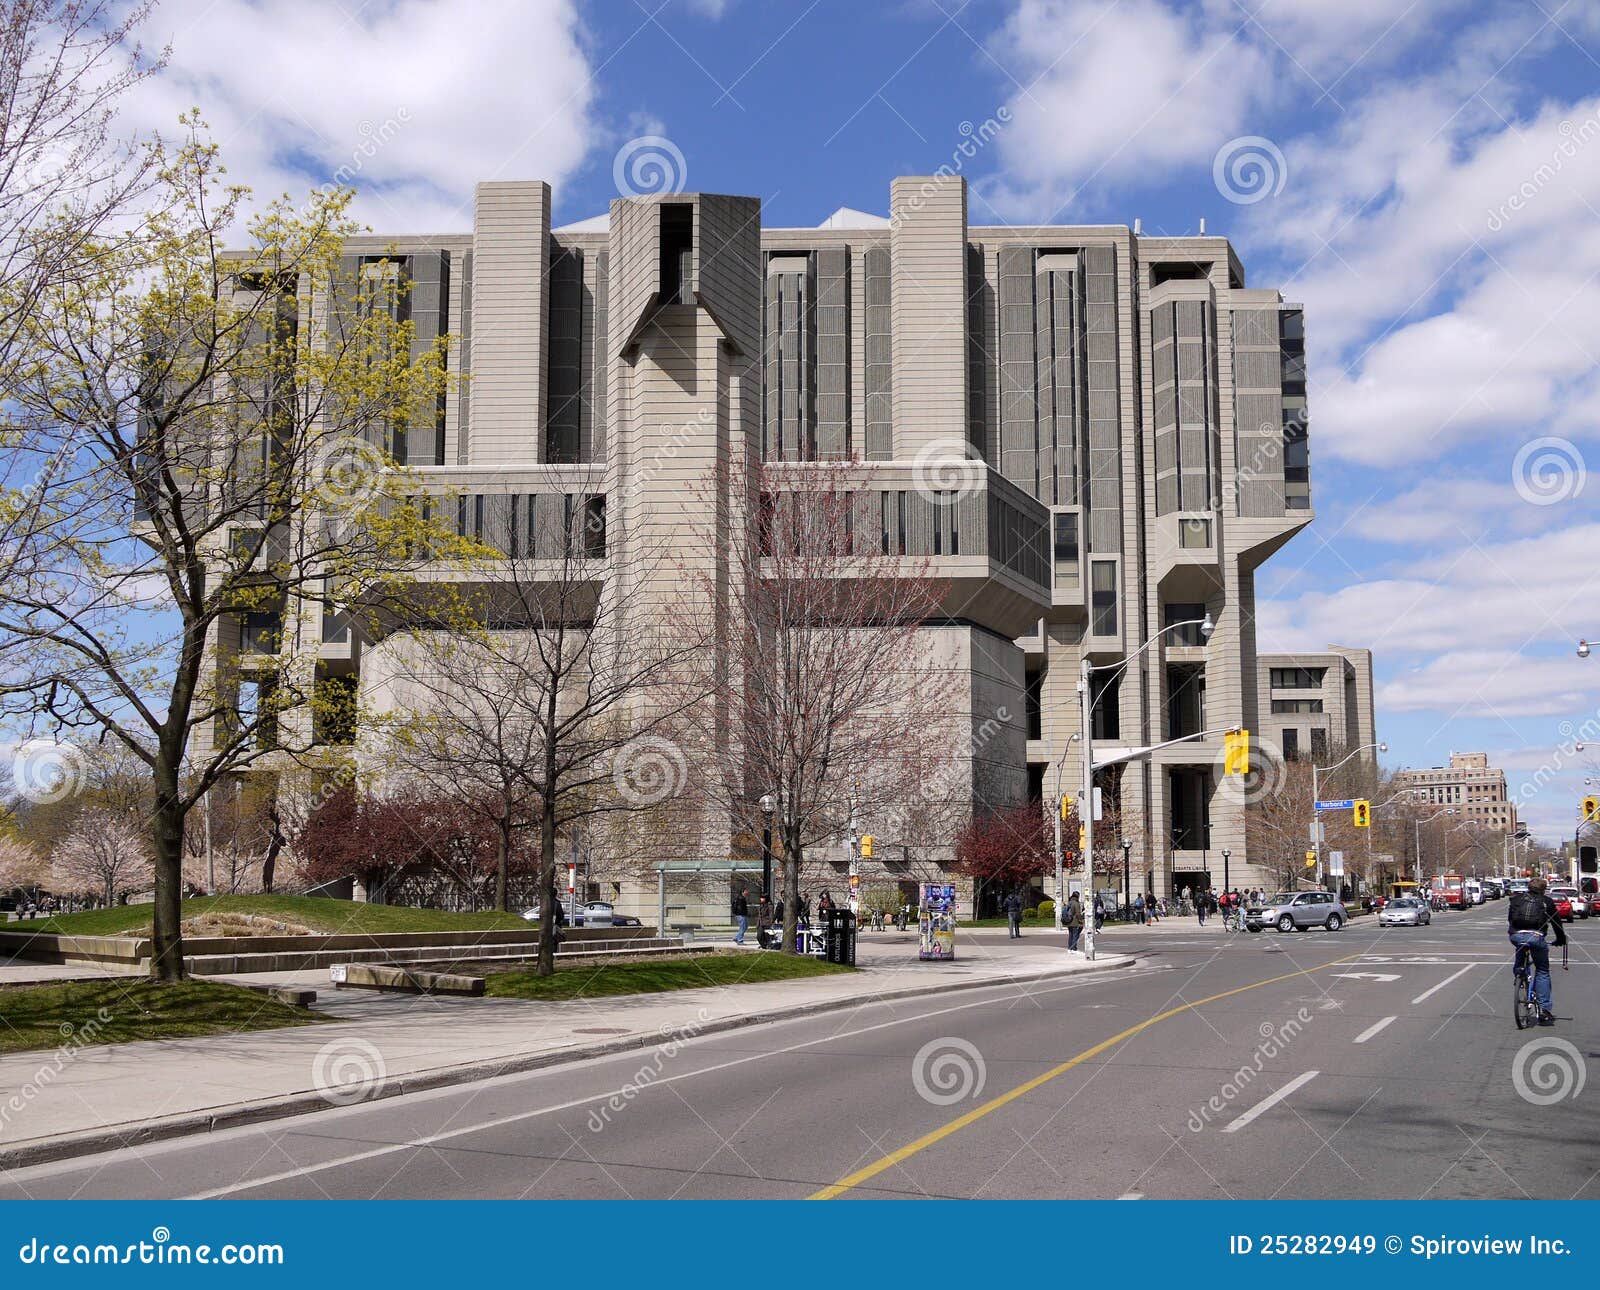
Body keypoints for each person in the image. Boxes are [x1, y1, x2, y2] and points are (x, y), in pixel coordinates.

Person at [1508, 876, 1567, 1026]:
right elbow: (1556, 923)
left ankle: (1520, 974)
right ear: (1543, 889)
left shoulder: (1516, 899)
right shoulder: (1546, 902)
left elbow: (1510, 919)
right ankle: (1544, 1009)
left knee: (1520, 950)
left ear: (1528, 887)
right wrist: (1561, 939)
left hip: (1517, 936)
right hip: (1537, 937)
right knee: (1542, 970)